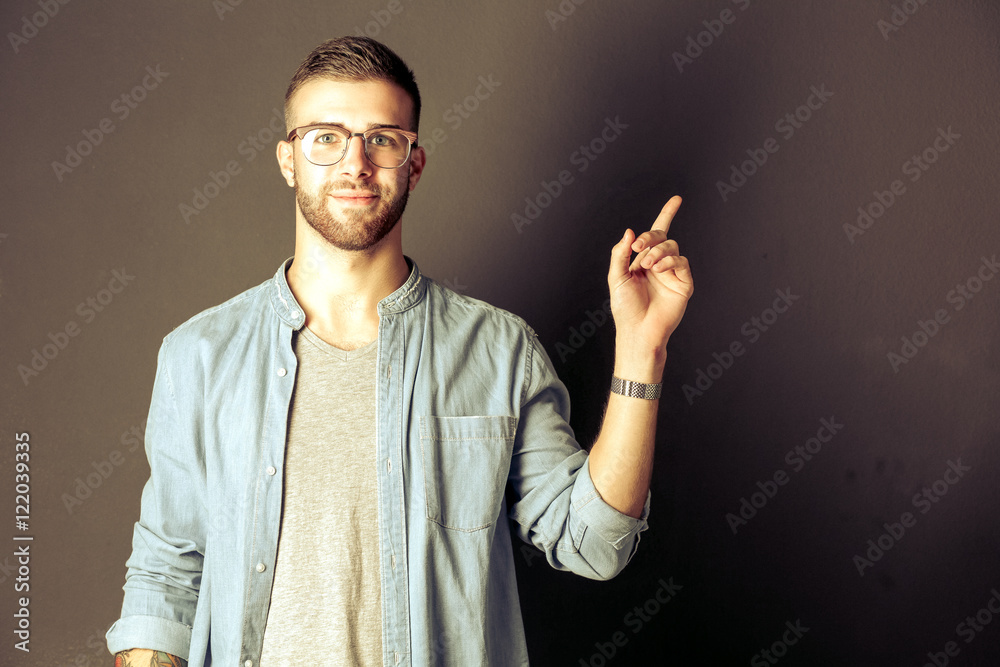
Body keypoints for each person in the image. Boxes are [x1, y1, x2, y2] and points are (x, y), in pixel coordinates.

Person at [106, 36, 692, 667]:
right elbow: (166, 577)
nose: (354, 163)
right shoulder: (199, 355)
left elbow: (595, 546)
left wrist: (641, 349)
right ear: (287, 159)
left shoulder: (498, 350)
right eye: (325, 137)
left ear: (413, 163)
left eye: (381, 138)